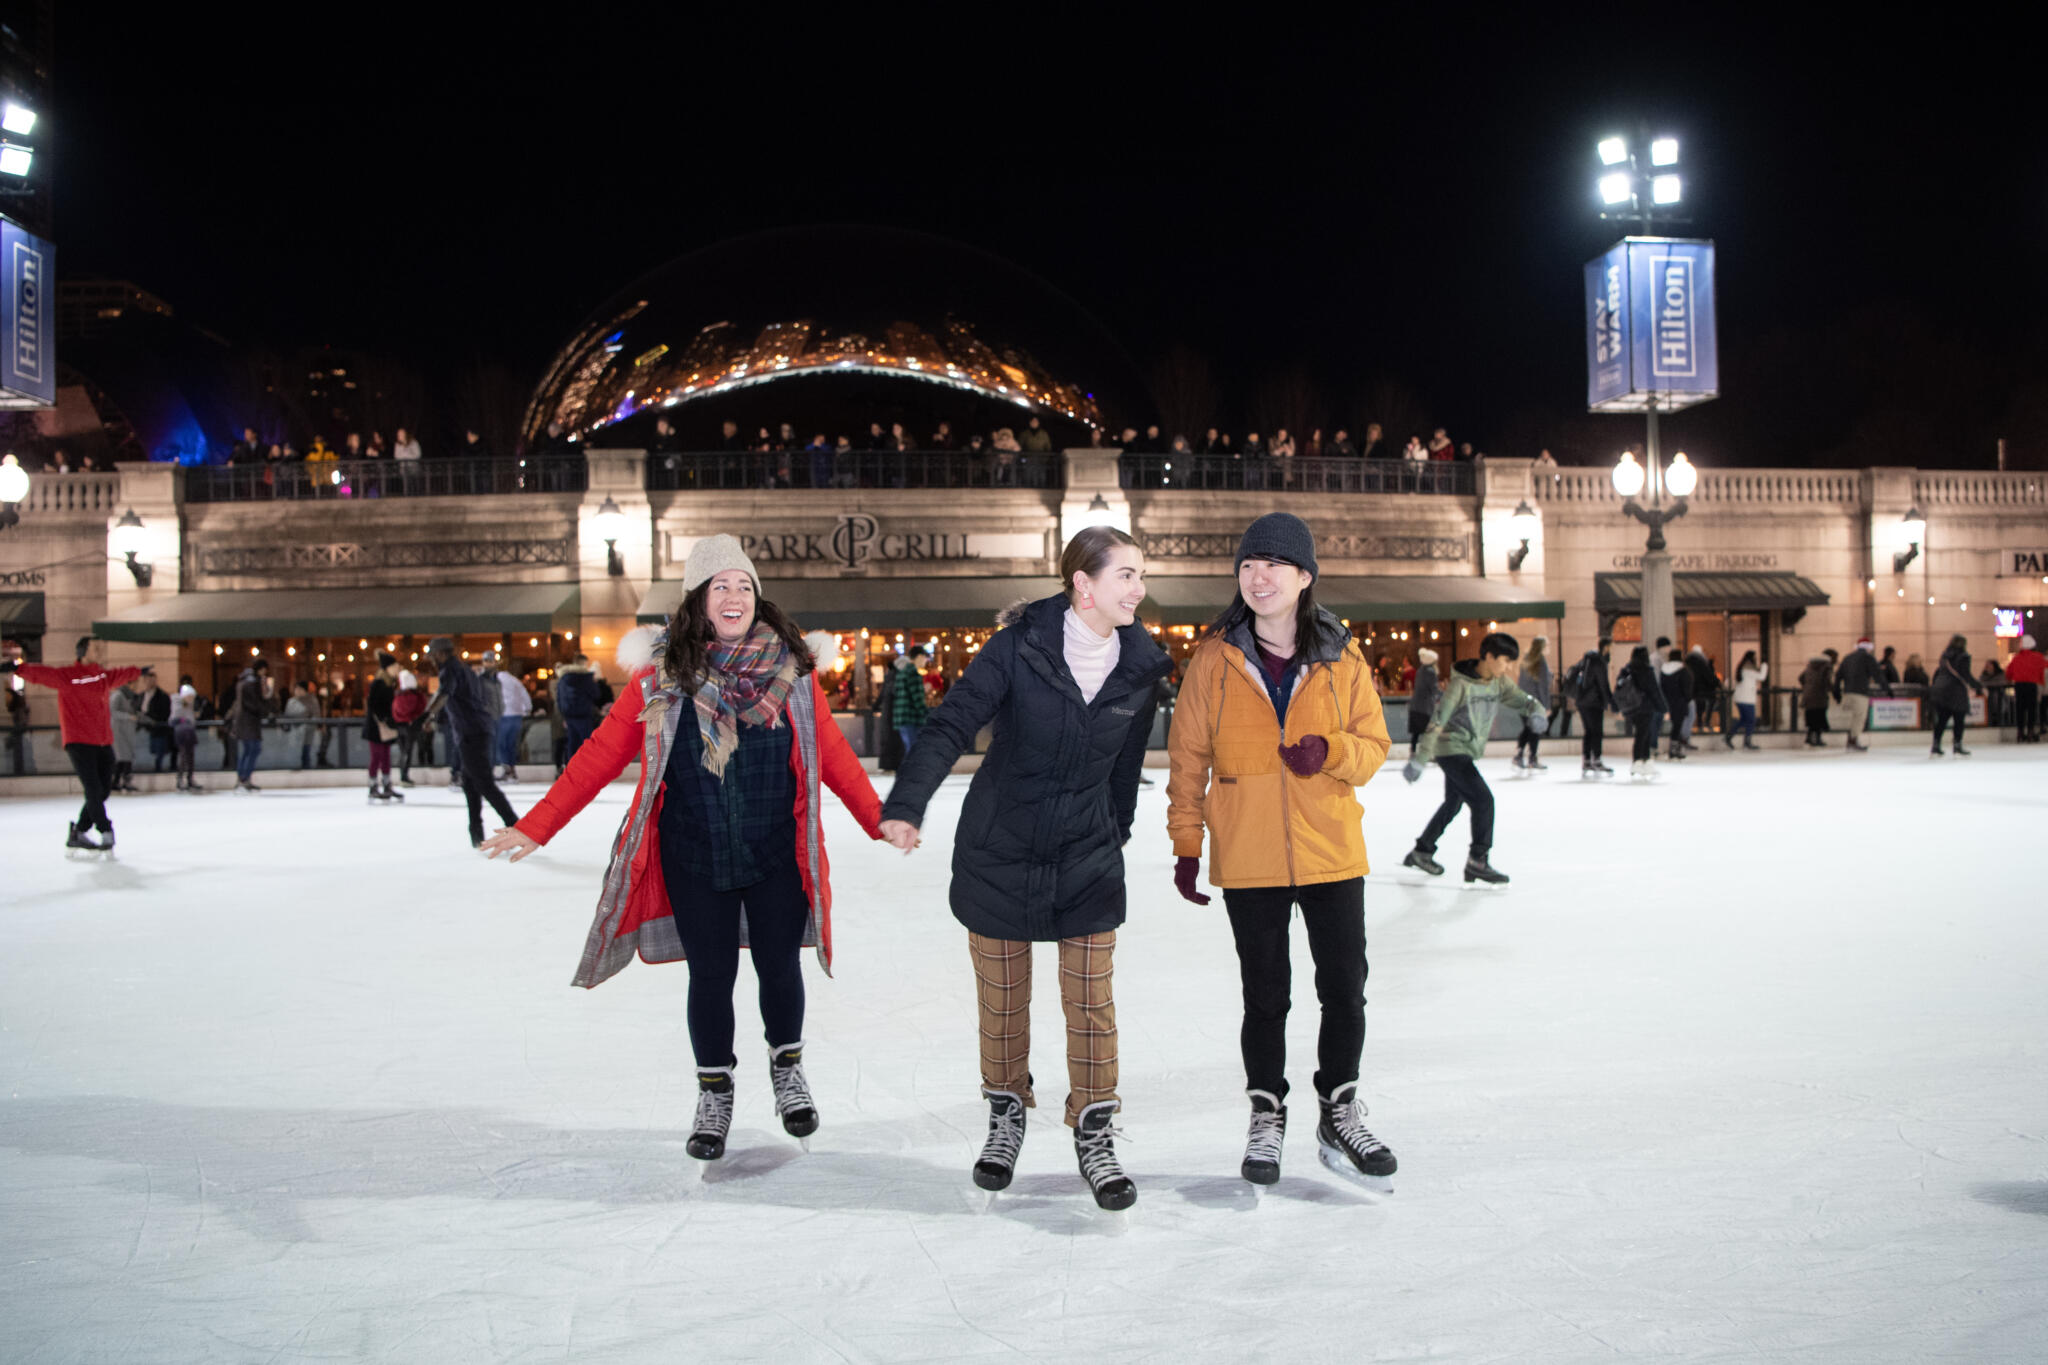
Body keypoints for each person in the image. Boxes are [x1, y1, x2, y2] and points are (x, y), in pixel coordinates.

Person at [480, 536, 888, 1165]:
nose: (733, 596)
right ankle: (715, 1091)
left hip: (776, 850)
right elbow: (599, 756)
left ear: (758, 598)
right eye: (719, 586)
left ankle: (787, 1069)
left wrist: (883, 818)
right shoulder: (659, 678)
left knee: (781, 967)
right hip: (696, 854)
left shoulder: (794, 674)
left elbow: (832, 755)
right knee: (712, 976)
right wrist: (538, 825)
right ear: (698, 601)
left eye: (744, 586)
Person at [879, 524, 1167, 1209]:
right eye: (1126, 574)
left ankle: (1094, 1126)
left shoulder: (1141, 666)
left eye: (1140, 574)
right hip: (999, 848)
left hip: (1087, 856)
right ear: (1084, 583)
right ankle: (1006, 1111)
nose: (1139, 587)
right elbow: (951, 724)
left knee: (1091, 998)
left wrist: (1113, 832)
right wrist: (908, 803)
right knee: (1004, 999)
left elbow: (1125, 769)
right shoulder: (1019, 648)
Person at [1166, 511, 1399, 1191]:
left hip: (1331, 848)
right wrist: (1187, 845)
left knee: (1344, 990)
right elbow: (1187, 760)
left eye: (1273, 564)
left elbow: (1375, 745)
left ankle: (1339, 1109)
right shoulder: (1214, 659)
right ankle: (1266, 1112)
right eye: (1248, 564)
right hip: (1250, 853)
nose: (1258, 575)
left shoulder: (1340, 655)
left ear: (1304, 577)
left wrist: (1331, 751)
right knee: (1265, 996)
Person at [1404, 633, 1545, 883]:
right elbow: (1437, 721)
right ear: (1489, 657)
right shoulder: (1460, 685)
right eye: (1504, 660)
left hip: (1466, 751)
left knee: (1453, 804)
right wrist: (1420, 759)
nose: (1508, 667)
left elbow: (1524, 700)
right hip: (1451, 750)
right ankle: (1478, 861)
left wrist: (1537, 711)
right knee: (1484, 801)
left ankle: (1422, 850)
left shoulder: (1499, 683)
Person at [3, 636, 142, 850]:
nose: (101, 651)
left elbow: (120, 674)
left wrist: (138, 671)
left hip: (103, 741)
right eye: (96, 648)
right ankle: (105, 829)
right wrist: (18, 668)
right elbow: (42, 674)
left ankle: (78, 832)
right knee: (94, 789)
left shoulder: (102, 676)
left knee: (103, 790)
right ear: (83, 652)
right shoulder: (68, 676)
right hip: (79, 741)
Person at [423, 640, 521, 846]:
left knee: (484, 783)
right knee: (470, 783)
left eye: (432, 656)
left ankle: (516, 826)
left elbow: (444, 694)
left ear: (440, 654)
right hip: (476, 729)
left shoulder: (450, 670)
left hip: (471, 732)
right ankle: (476, 832)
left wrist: (424, 717)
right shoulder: (464, 670)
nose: (431, 660)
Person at [1928, 634, 1985, 757]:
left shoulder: (1944, 656)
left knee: (1942, 720)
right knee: (1959, 719)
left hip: (1941, 690)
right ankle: (1957, 744)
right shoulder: (1963, 657)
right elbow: (1965, 674)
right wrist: (1979, 686)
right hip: (1956, 691)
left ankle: (1936, 745)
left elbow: (1940, 672)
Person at [1567, 638, 1617, 777]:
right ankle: (1597, 760)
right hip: (1593, 702)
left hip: (1582, 701)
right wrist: (1611, 702)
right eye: (1611, 647)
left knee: (1589, 731)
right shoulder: (1598, 662)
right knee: (1597, 731)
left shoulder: (1586, 660)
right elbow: (1603, 684)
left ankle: (1587, 760)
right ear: (1606, 647)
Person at [1617, 644, 1667, 779]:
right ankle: (1639, 761)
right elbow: (1654, 690)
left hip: (1632, 708)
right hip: (1645, 707)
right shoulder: (1646, 670)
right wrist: (1663, 708)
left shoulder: (1627, 669)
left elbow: (1619, 688)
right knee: (1644, 735)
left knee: (1642, 734)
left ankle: (1644, 761)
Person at [1834, 638, 1891, 751]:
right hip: (1860, 692)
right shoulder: (1868, 658)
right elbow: (1877, 674)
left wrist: (1837, 692)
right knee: (1859, 717)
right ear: (1868, 647)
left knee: (1855, 717)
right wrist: (1887, 689)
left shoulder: (1847, 658)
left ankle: (1852, 739)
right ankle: (1853, 740)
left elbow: (1838, 675)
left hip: (1848, 691)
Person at [363, 652, 404, 803]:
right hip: (376, 727)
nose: (397, 668)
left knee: (386, 756)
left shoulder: (389, 683)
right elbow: (373, 705)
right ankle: (373, 787)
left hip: (386, 725)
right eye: (395, 666)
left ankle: (387, 785)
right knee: (377, 756)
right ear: (388, 667)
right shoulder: (378, 683)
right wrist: (384, 718)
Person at [230, 658, 275, 790]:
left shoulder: (243, 681)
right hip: (249, 722)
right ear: (261, 669)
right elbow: (254, 703)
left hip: (243, 721)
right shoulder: (252, 683)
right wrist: (266, 712)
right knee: (253, 749)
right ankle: (244, 777)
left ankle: (242, 777)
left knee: (248, 750)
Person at [1513, 636, 1552, 772]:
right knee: (1534, 730)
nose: (1549, 648)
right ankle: (1532, 759)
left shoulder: (1526, 660)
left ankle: (1519, 756)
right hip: (1535, 703)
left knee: (1529, 729)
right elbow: (1543, 686)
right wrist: (1546, 706)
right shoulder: (1540, 662)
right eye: (1547, 645)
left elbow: (1521, 683)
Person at [553, 654, 602, 763]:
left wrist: (563, 716)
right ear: (584, 663)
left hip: (569, 715)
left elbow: (559, 699)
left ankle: (572, 767)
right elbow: (596, 694)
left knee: (572, 742)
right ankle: (587, 766)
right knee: (586, 742)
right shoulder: (587, 678)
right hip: (584, 714)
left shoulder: (563, 678)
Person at [888, 644, 931, 761]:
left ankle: (907, 775)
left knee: (910, 749)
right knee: (914, 750)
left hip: (901, 717)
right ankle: (909, 776)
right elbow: (917, 699)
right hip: (911, 717)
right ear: (919, 657)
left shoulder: (902, 672)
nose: (926, 661)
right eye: (925, 658)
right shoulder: (913, 673)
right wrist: (927, 714)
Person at [492, 657, 530, 782]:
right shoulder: (514, 681)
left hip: (503, 715)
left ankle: (507, 769)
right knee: (511, 744)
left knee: (502, 744)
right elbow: (525, 696)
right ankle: (512, 770)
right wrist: (527, 709)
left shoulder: (495, 681)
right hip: (516, 716)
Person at [2006, 634, 2046, 743]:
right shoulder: (2038, 657)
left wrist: (2010, 679)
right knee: (2031, 709)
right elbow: (2044, 667)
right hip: (2032, 685)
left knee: (2020, 709)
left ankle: (2020, 732)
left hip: (2019, 685)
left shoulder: (2016, 658)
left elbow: (2009, 672)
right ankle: (2030, 732)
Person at [393, 669, 427, 784]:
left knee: (404, 751)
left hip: (402, 726)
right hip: (409, 726)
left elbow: (396, 711)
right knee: (407, 751)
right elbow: (421, 709)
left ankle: (404, 774)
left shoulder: (399, 697)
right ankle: (404, 775)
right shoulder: (415, 696)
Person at [1727, 651, 1766, 750]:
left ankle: (1729, 736)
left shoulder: (1743, 667)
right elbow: (1762, 677)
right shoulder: (1748, 669)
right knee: (1751, 720)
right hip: (1746, 699)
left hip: (1741, 698)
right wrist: (1765, 664)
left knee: (1744, 720)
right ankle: (1747, 741)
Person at [1660, 649, 1695, 761]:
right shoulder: (1683, 670)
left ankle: (1674, 747)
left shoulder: (1664, 670)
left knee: (1675, 725)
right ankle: (1675, 748)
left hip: (1668, 701)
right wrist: (1688, 698)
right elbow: (1687, 687)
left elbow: (1662, 686)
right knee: (1678, 725)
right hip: (1680, 701)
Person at [1406, 648, 1440, 758]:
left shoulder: (1420, 671)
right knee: (1429, 731)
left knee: (1417, 731)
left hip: (1416, 706)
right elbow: (1433, 689)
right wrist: (1441, 696)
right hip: (1425, 707)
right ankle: (1428, 753)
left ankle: (1413, 751)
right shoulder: (1431, 672)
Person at [109, 674, 140, 792]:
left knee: (125, 756)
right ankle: (119, 781)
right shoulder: (117, 695)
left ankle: (119, 781)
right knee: (122, 756)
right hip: (119, 731)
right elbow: (113, 712)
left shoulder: (128, 696)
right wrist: (128, 717)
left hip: (126, 730)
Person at [139, 668, 172, 774]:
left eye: (153, 680)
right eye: (148, 680)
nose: (151, 682)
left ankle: (158, 767)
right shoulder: (140, 696)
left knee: (159, 750)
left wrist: (151, 718)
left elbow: (165, 712)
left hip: (157, 728)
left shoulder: (162, 696)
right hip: (142, 728)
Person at [1797, 653, 1834, 748]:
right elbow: (1827, 681)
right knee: (1819, 718)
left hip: (1808, 697)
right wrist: (1831, 689)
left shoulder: (1809, 667)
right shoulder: (1826, 667)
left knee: (1811, 719)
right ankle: (1817, 738)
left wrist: (1808, 686)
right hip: (1820, 697)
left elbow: (1800, 678)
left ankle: (1809, 738)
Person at [1686, 646, 1721, 741]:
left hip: (1691, 691)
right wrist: (1717, 683)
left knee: (1691, 713)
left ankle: (1688, 734)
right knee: (1702, 707)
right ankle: (1703, 723)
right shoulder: (1701, 663)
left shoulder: (1686, 663)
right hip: (1701, 690)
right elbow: (1708, 675)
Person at [171, 682, 200, 791]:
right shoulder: (177, 703)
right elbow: (175, 718)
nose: (191, 699)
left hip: (190, 732)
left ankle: (190, 778)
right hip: (182, 733)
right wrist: (187, 720)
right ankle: (180, 779)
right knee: (183, 756)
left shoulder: (190, 706)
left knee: (190, 757)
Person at [285, 680, 316, 768]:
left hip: (307, 733)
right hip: (294, 733)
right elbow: (287, 715)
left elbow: (315, 715)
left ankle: (306, 768)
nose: (297, 691)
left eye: (300, 689)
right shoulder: (291, 701)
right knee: (294, 752)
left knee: (306, 753)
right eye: (296, 689)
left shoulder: (311, 701)